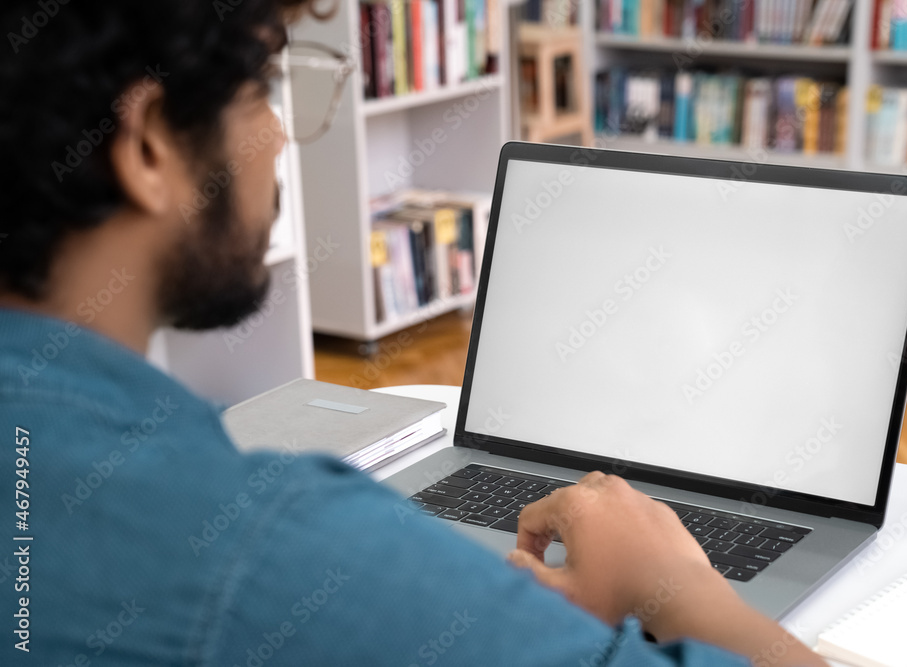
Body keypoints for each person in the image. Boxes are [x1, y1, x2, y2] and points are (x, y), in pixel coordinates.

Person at [0, 1, 827, 664]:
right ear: (150, 146)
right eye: (261, 84)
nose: (285, 133)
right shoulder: (270, 551)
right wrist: (682, 588)